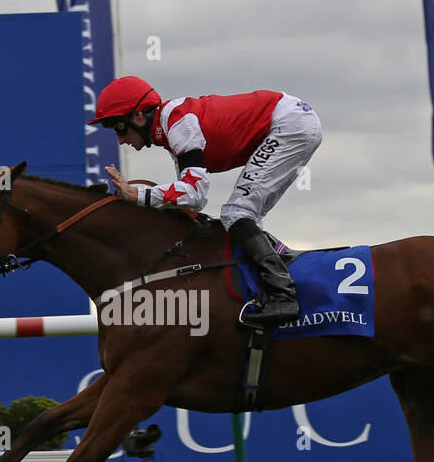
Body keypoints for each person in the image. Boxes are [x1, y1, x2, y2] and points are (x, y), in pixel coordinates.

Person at [90, 75, 322, 325]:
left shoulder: (179, 124)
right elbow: (193, 203)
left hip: (289, 124)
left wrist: (138, 195)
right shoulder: (172, 126)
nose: (121, 140)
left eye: (119, 128)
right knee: (243, 214)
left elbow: (193, 193)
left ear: (138, 116)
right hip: (293, 121)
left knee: (237, 213)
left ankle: (283, 294)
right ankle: (276, 274)